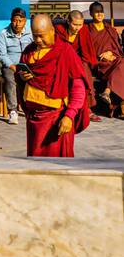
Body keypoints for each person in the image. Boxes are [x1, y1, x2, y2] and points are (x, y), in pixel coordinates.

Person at [17, 12, 90, 157]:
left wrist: (69, 116)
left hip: (56, 119)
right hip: (34, 119)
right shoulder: (28, 52)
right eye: (35, 35)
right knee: (36, 168)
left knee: (58, 167)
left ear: (52, 31)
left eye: (42, 35)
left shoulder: (64, 51)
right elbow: (21, 79)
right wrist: (22, 77)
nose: (37, 40)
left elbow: (78, 87)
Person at [87, 1, 124, 116]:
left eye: (101, 12)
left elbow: (117, 48)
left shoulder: (110, 29)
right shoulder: (87, 31)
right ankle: (113, 98)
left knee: (121, 62)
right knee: (122, 64)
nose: (99, 14)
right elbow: (86, 50)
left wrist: (111, 53)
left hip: (113, 60)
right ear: (91, 14)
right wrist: (101, 55)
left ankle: (108, 93)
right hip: (99, 63)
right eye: (96, 12)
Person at [0, 8, 32, 124]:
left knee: (35, 76)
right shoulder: (3, 34)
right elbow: (2, 55)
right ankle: (13, 111)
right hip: (10, 65)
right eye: (15, 21)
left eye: (20, 21)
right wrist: (12, 66)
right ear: (11, 20)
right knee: (10, 79)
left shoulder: (30, 33)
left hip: (26, 64)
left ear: (25, 21)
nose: (17, 24)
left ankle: (32, 108)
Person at [63, 9, 99, 120]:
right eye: (75, 24)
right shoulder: (59, 30)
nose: (78, 28)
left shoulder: (84, 31)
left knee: (83, 69)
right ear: (68, 21)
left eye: (80, 25)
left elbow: (87, 53)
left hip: (79, 62)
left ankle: (87, 109)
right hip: (63, 62)